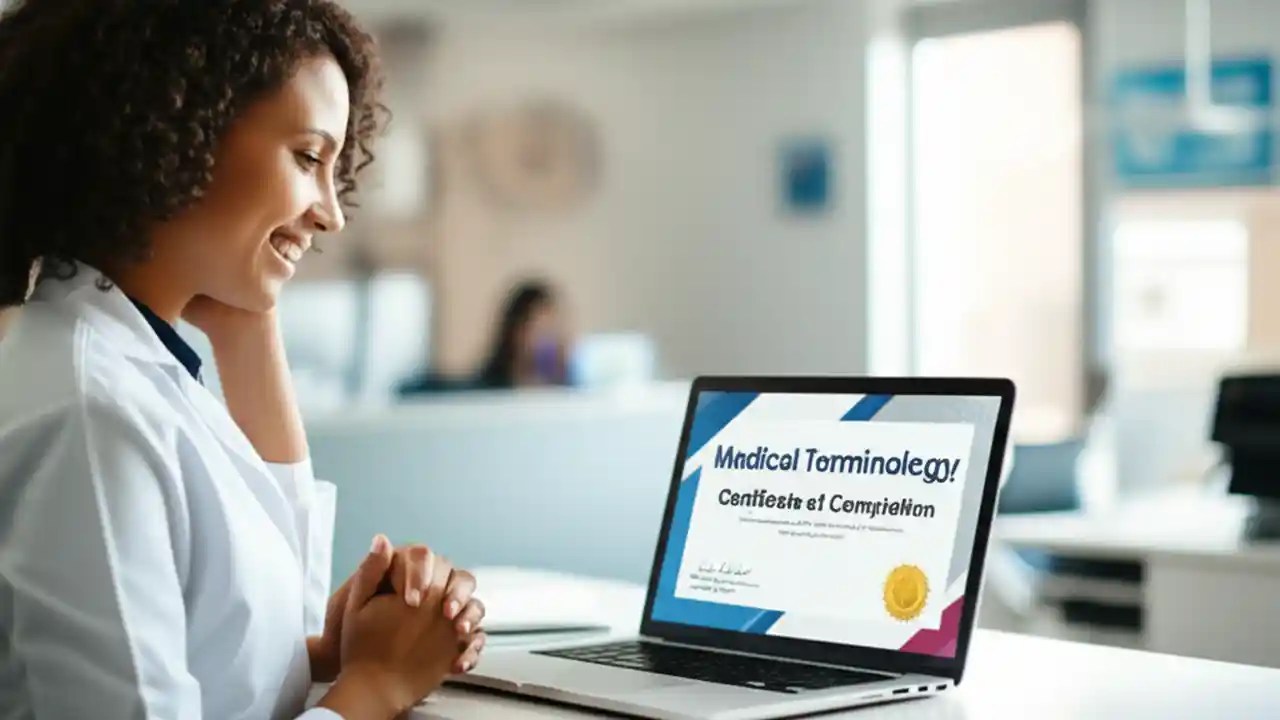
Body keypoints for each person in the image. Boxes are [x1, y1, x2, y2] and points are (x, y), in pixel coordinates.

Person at [0, 2, 485, 719]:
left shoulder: (138, 367)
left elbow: (220, 646)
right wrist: (374, 686)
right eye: (308, 157)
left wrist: (334, 646)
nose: (332, 211)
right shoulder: (95, 416)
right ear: (174, 130)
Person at [475, 280, 571, 389]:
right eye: (542, 330)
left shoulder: (567, 391)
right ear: (516, 333)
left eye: (553, 330)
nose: (551, 342)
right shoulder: (484, 391)